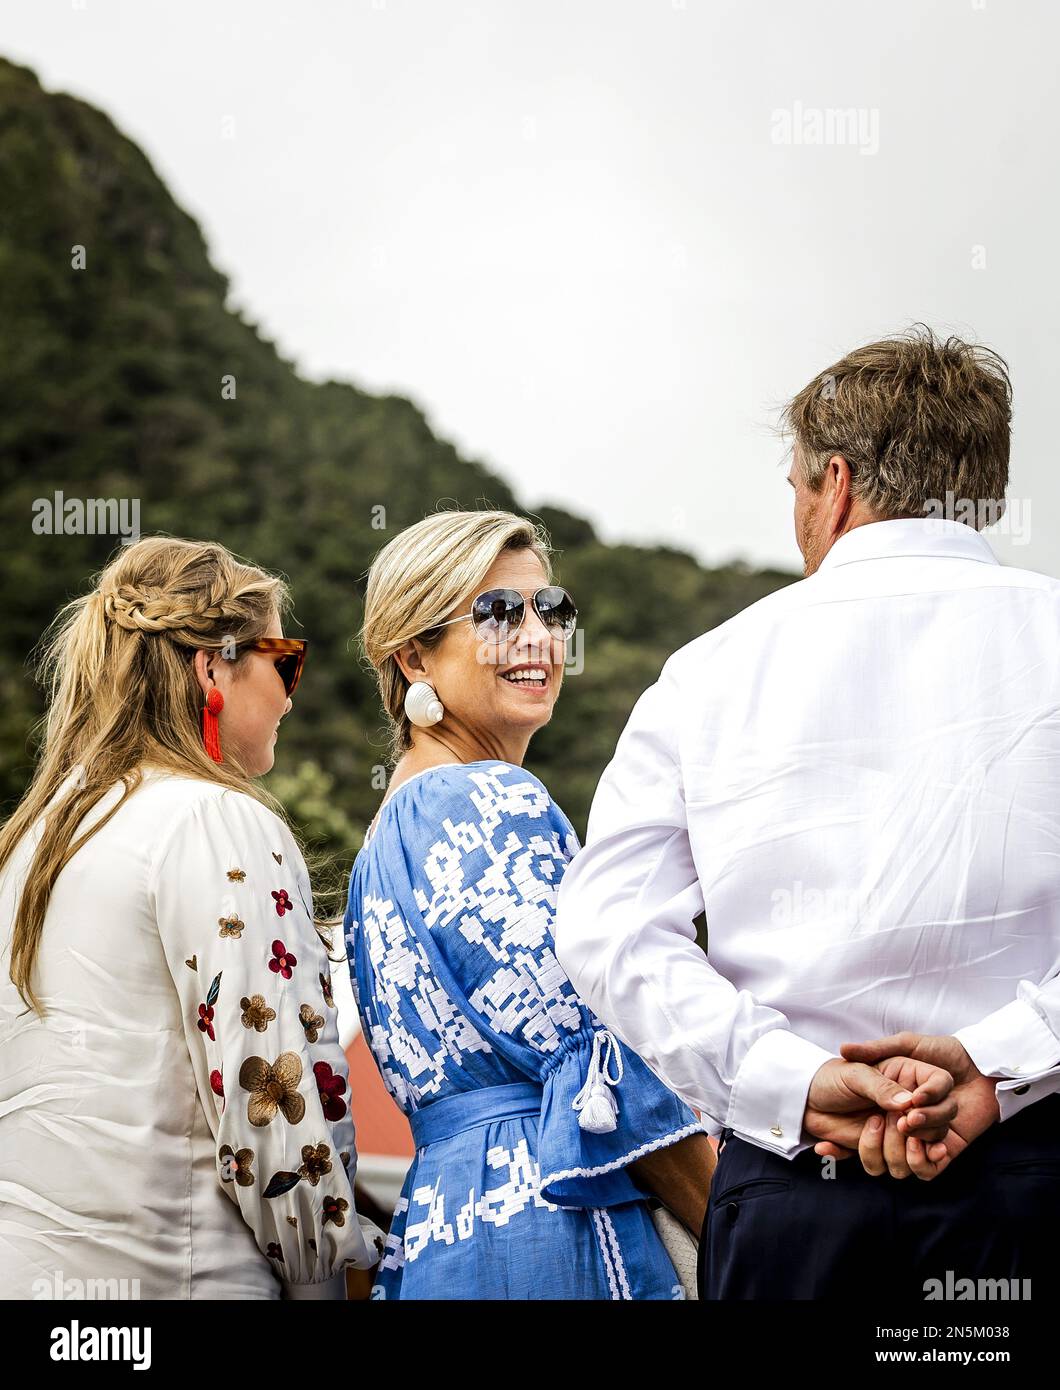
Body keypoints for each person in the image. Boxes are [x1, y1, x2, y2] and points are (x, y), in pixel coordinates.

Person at [555, 328, 1060, 1300]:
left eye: (794, 487)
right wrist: (1003, 1063)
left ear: (833, 483)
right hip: (1031, 1180)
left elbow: (606, 926)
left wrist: (789, 1080)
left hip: (796, 1200)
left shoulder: (706, 672)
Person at [346, 509, 716, 1299]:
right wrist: (734, 1229)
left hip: (446, 1231)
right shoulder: (488, 800)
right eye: (496, 612)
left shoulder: (381, 840)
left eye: (551, 609)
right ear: (412, 654)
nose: (537, 634)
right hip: (561, 1227)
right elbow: (595, 1071)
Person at [0, 536, 380, 1299]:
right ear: (214, 667)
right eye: (284, 660)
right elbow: (276, 1107)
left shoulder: (33, 842)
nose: (290, 692)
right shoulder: (214, 822)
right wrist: (334, 1265)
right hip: (184, 1275)